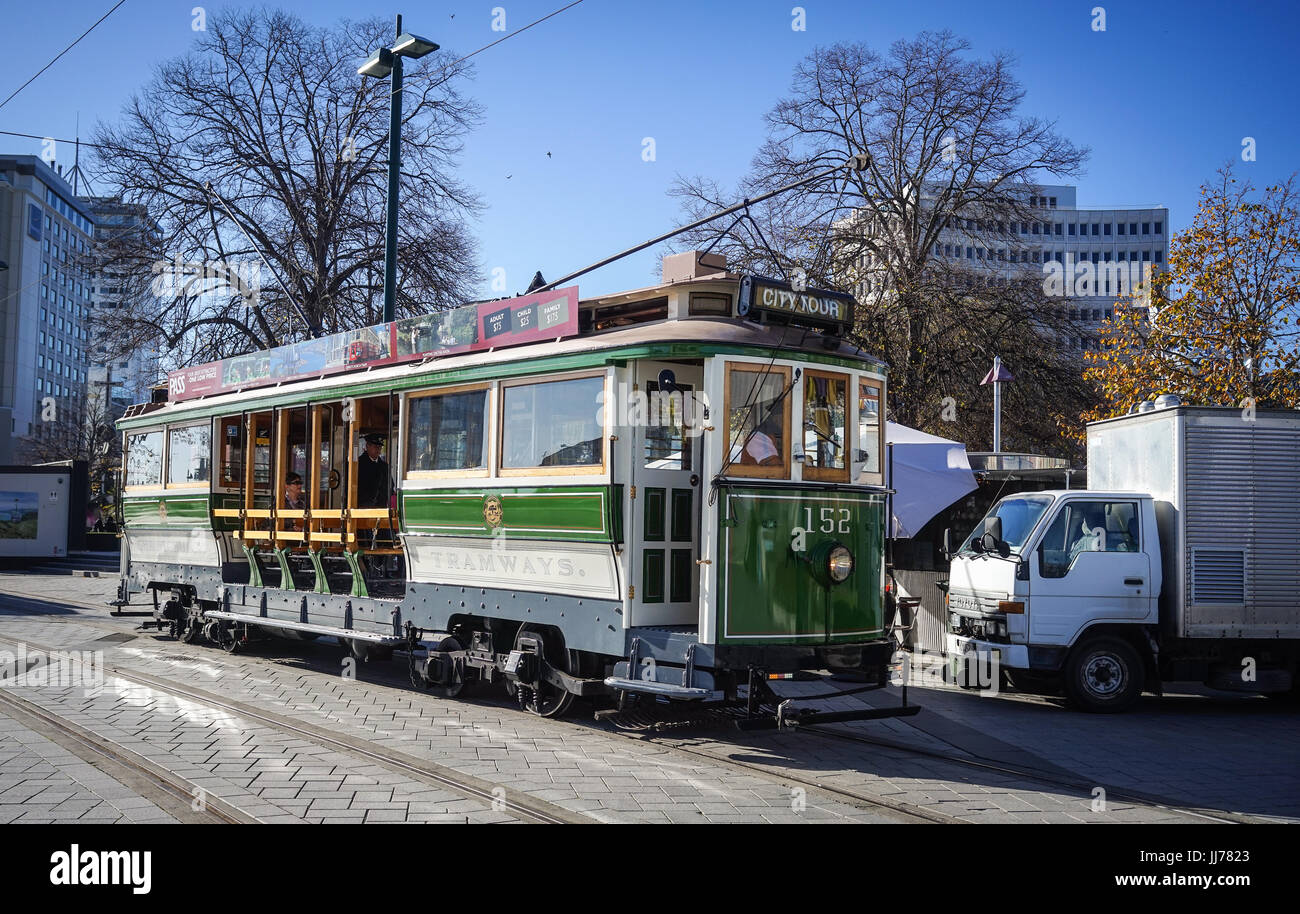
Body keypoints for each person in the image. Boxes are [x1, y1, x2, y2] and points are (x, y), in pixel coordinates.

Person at [357, 434, 390, 508]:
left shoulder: (384, 466)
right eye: (375, 447)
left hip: (381, 506)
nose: (378, 450)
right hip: (364, 507)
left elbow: (389, 485)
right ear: (367, 446)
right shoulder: (358, 465)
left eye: (380, 447)